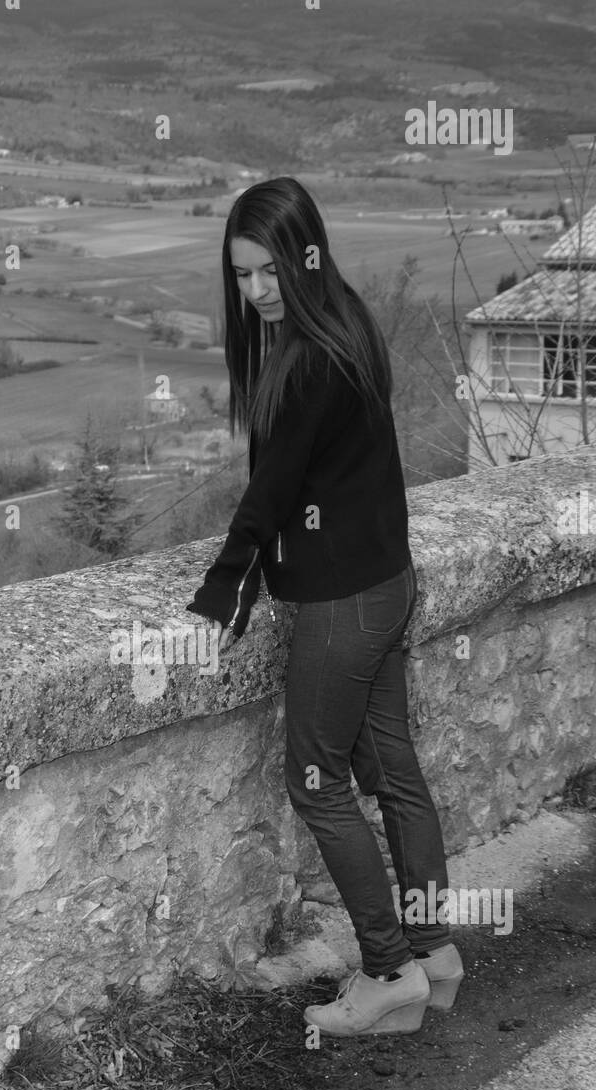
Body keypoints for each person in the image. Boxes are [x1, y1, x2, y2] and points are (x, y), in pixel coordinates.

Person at [185, 177, 463, 1037]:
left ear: (306, 254)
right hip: (385, 584)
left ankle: (387, 974)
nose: (259, 291)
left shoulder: (306, 359)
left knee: (317, 781)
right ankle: (434, 955)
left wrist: (220, 595)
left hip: (345, 603)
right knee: (394, 775)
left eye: (271, 271)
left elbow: (270, 493)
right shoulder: (342, 319)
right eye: (242, 276)